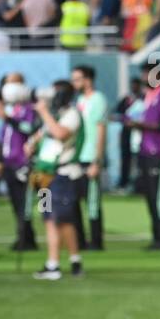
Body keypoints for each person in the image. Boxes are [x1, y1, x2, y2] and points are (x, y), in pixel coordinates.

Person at [28, 80, 85, 280]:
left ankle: (71, 260)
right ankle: (53, 263)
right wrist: (32, 145)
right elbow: (41, 135)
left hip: (63, 175)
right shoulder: (53, 114)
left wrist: (43, 113)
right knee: (49, 219)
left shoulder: (71, 115)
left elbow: (60, 133)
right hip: (43, 175)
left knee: (63, 219)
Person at [126, 72, 160, 249]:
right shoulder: (147, 95)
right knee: (150, 196)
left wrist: (139, 124)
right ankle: (157, 236)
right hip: (145, 150)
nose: (143, 79)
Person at [0, 74, 39, 251]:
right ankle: (23, 236)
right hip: (9, 163)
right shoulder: (10, 109)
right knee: (16, 203)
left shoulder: (28, 109)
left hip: (26, 164)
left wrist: (8, 119)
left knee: (34, 202)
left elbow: (29, 129)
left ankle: (30, 238)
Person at [71, 64, 108, 251]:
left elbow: (101, 130)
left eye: (77, 79)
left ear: (88, 79)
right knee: (75, 200)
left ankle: (96, 242)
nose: (74, 83)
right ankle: (80, 240)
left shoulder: (98, 99)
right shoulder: (79, 100)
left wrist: (97, 160)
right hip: (77, 157)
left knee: (92, 202)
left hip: (90, 156)